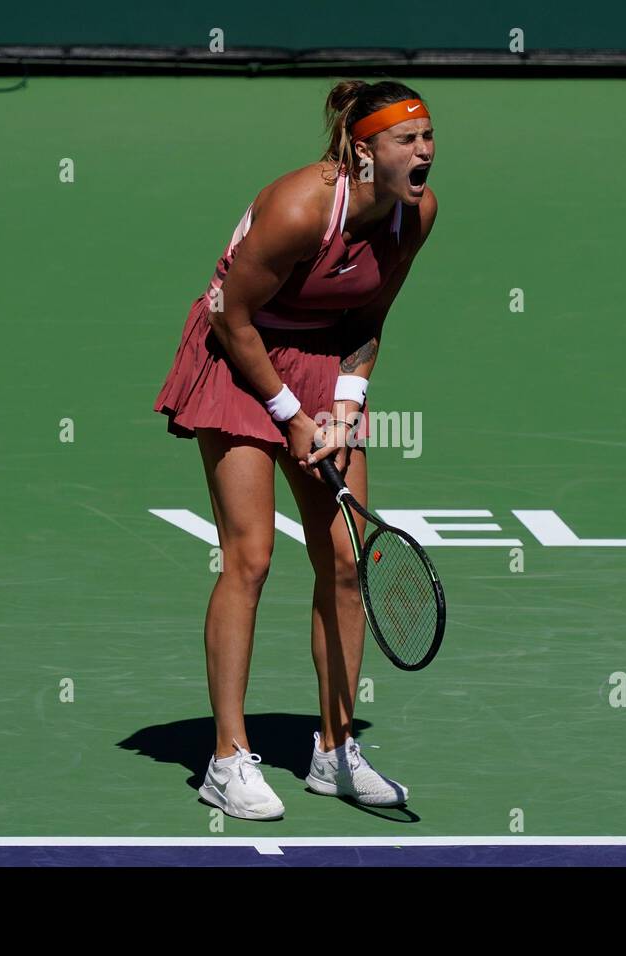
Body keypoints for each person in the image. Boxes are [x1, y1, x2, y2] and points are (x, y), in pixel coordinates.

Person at [153, 78, 438, 819]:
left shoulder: (416, 216)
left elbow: (370, 317)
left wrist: (345, 408)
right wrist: (289, 414)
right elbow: (229, 314)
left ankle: (336, 752)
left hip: (320, 367)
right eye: (407, 140)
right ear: (363, 149)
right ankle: (226, 758)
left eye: (429, 137)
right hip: (240, 356)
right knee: (249, 555)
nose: (425, 152)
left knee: (347, 561)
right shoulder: (299, 207)